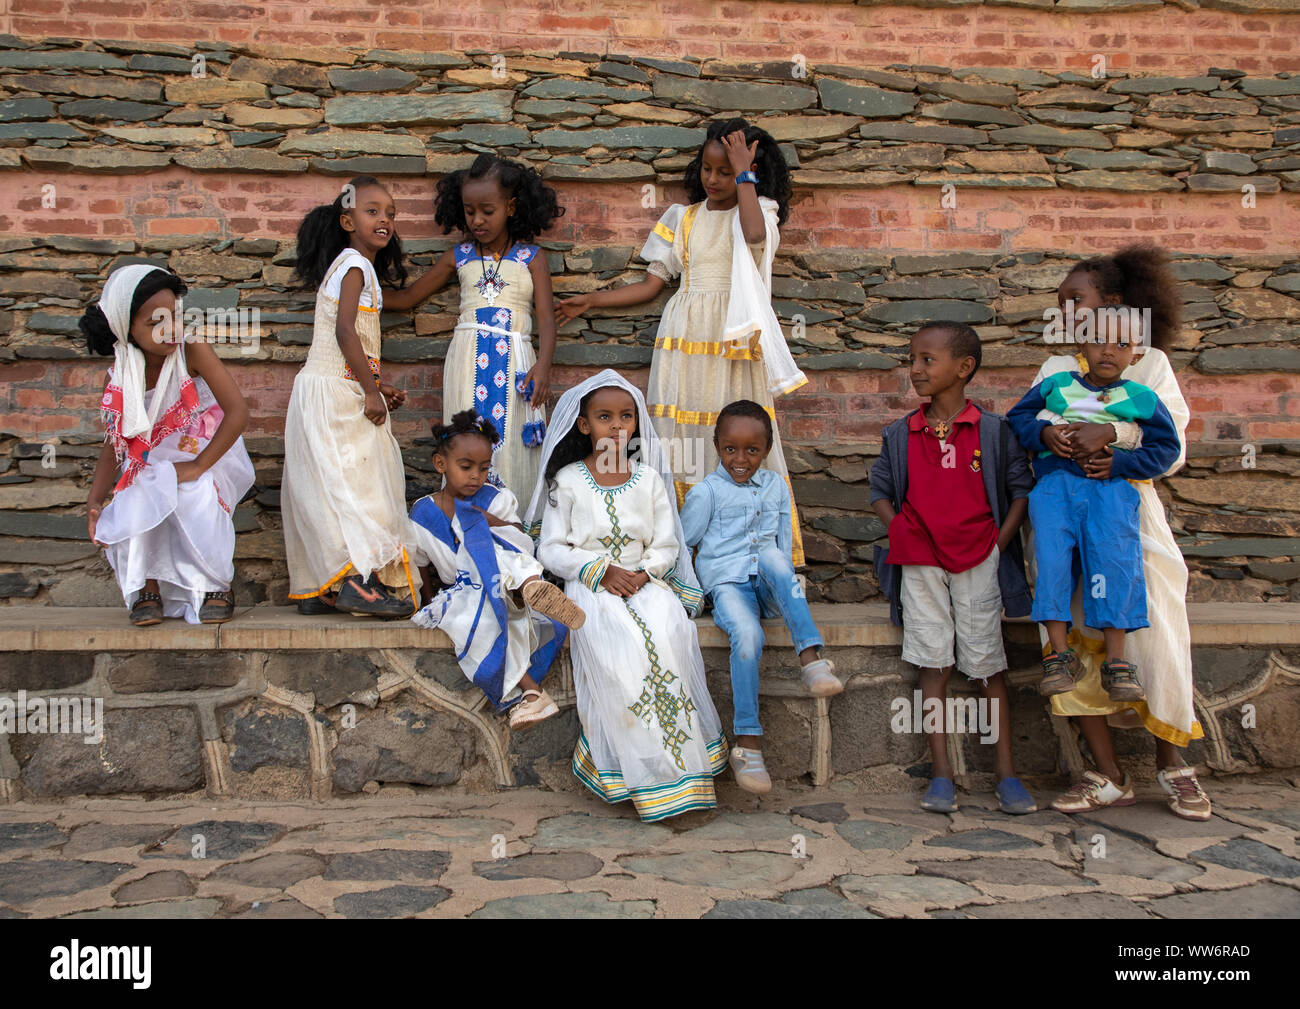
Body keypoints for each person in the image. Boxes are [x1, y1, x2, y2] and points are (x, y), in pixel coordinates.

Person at [556, 118, 807, 562]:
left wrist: (743, 172)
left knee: (731, 431)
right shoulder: (683, 218)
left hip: (732, 340)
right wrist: (593, 299)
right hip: (684, 340)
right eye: (707, 169)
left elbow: (753, 237)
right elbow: (651, 286)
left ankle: (740, 552)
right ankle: (681, 554)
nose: (713, 179)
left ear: (750, 172)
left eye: (726, 171)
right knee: (681, 441)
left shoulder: (759, 210)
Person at [1025, 245, 1211, 821]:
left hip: (1131, 514)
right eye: (1062, 305)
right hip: (1063, 519)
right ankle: (1107, 773)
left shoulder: (1149, 364)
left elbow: (1171, 448)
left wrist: (1115, 441)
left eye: (1076, 299)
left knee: (1155, 633)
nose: (1067, 311)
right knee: (1072, 636)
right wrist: (1048, 437)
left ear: (1115, 305)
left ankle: (1174, 766)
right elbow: (1027, 424)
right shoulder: (1056, 369)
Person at [525, 370, 725, 822]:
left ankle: (683, 772)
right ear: (584, 426)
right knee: (620, 646)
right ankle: (641, 776)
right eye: (604, 417)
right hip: (591, 584)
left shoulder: (649, 478)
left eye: (626, 416)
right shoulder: (568, 481)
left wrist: (644, 572)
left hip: (644, 581)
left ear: (636, 424)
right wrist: (601, 571)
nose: (617, 426)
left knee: (670, 627)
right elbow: (552, 549)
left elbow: (667, 544)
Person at [869, 322, 1037, 815]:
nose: (915, 370)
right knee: (933, 662)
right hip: (920, 563)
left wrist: (997, 544)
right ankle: (942, 773)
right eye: (912, 359)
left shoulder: (994, 432)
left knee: (987, 664)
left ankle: (1007, 774)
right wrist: (902, 530)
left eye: (927, 360)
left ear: (963, 368)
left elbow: (1021, 490)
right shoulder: (901, 434)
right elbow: (879, 491)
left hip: (978, 560)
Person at [281, 176, 443, 618]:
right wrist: (370, 392)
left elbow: (351, 341)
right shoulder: (354, 264)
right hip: (334, 391)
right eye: (373, 211)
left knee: (329, 487)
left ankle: (321, 587)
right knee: (359, 488)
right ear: (347, 219)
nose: (385, 220)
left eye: (391, 213)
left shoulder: (352, 266)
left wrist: (373, 382)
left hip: (331, 385)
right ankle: (358, 583)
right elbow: (344, 330)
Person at [1009, 310, 1180, 708]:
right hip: (1054, 491)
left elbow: (1166, 449)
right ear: (1081, 347)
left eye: (1123, 345)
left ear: (1136, 355)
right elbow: (1017, 419)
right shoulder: (1057, 384)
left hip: (1110, 492)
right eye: (1099, 340)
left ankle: (1118, 663)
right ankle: (1057, 655)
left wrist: (1121, 464)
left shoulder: (1141, 398)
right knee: (1051, 564)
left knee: (1113, 565)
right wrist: (1044, 433)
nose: (1110, 350)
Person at [680, 399, 842, 795]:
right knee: (748, 638)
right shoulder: (707, 493)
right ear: (717, 446)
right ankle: (748, 746)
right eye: (731, 449)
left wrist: (784, 579)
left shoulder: (774, 486)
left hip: (771, 584)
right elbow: (683, 545)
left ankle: (811, 660)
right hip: (728, 587)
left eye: (752, 450)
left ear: (766, 450)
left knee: (772, 554)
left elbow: (782, 547)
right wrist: (687, 597)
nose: (741, 459)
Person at [81, 265, 253, 625]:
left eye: (174, 316)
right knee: (137, 492)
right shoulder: (120, 374)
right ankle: (147, 587)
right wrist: (95, 500)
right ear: (123, 327)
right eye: (154, 323)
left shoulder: (192, 350)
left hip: (206, 449)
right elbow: (115, 442)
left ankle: (214, 584)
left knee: (194, 490)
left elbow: (237, 413)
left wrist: (197, 466)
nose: (170, 329)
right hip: (150, 457)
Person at [402, 153, 564, 505]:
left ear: (511, 206)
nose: (477, 219)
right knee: (465, 437)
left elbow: (547, 320)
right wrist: (359, 285)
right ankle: (466, 521)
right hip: (466, 362)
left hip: (518, 361)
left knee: (517, 446)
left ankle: (516, 524)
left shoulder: (531, 258)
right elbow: (409, 297)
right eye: (469, 210)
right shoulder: (457, 257)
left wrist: (544, 367)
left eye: (487, 211)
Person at [408, 410, 584, 729]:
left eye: (484, 468)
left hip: (505, 577)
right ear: (440, 464)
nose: (476, 476)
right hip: (466, 589)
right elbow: (419, 564)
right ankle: (532, 693)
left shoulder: (496, 499)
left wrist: (489, 521)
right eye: (466, 467)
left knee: (492, 544)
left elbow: (520, 540)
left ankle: (529, 588)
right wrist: (428, 600)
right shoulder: (422, 513)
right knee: (485, 623)